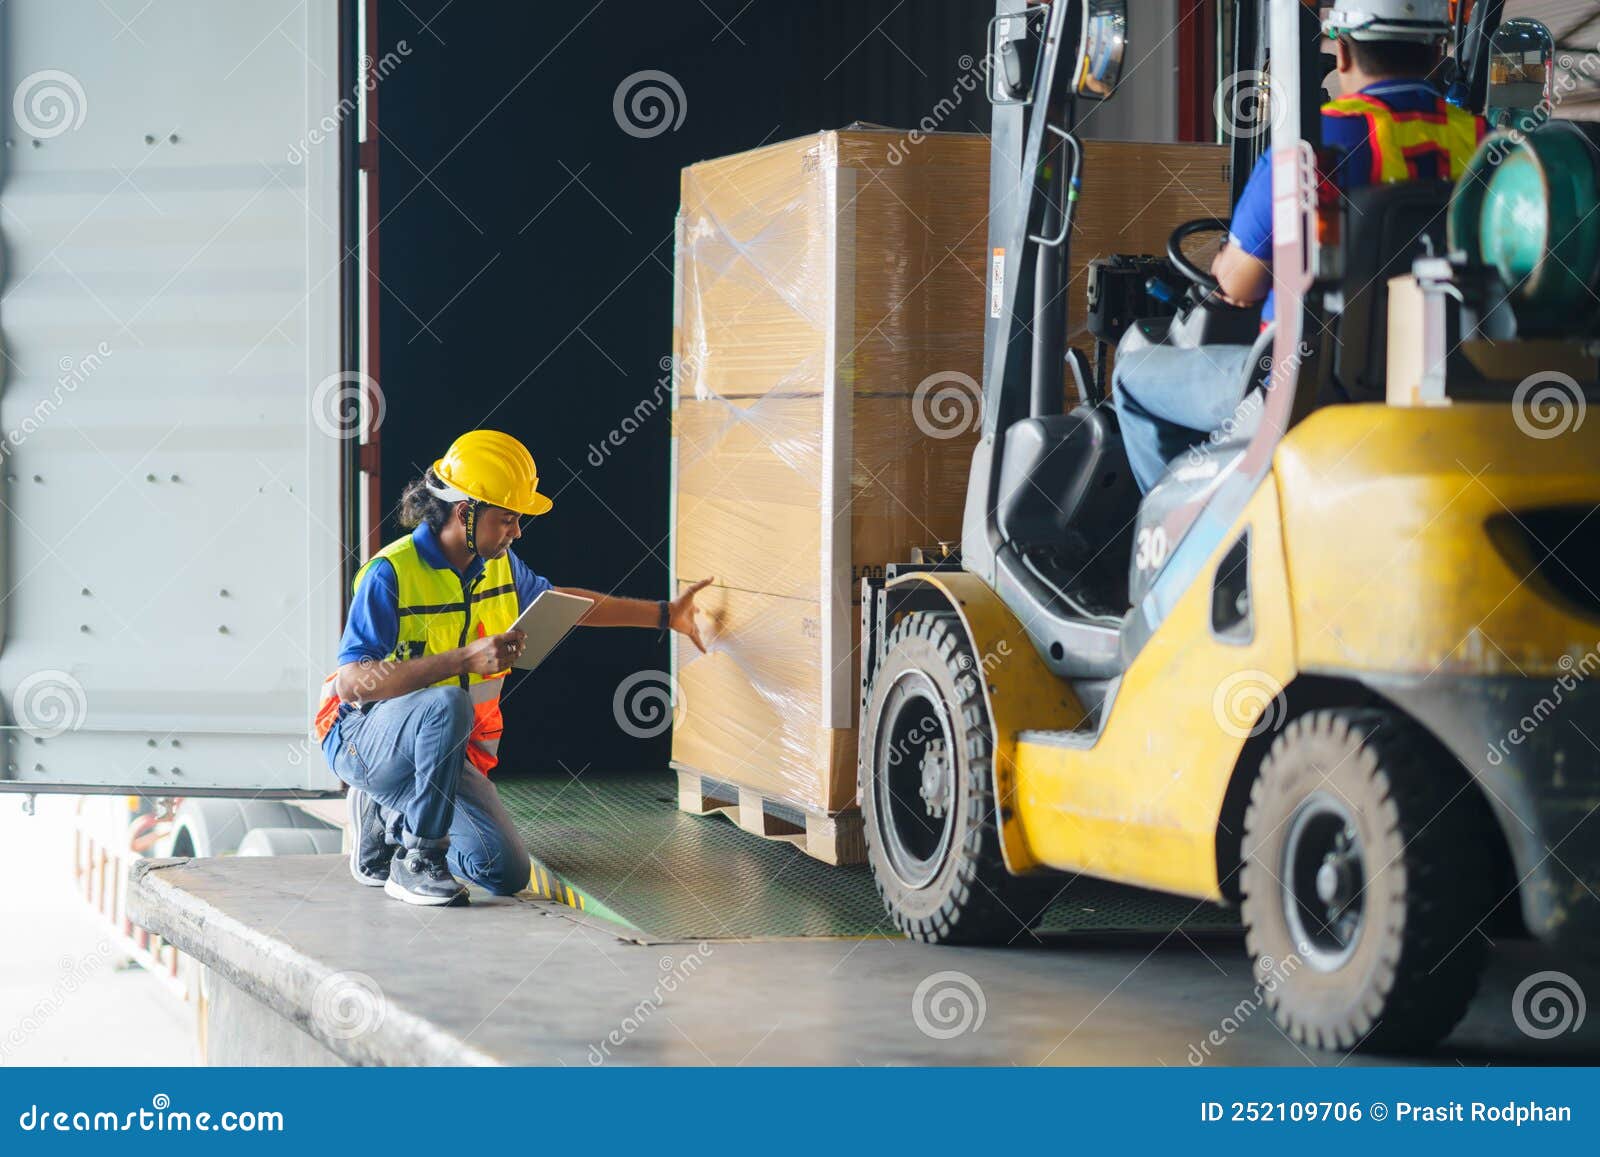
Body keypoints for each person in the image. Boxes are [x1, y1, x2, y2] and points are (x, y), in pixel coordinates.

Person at [312, 430, 710, 906]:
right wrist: (464, 659)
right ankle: (416, 861)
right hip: (359, 741)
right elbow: (355, 683)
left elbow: (566, 606)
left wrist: (666, 614)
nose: (516, 531)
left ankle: (393, 815)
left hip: (442, 753)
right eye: (507, 519)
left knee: (502, 872)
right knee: (446, 701)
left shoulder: (498, 566)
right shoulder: (390, 574)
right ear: (465, 513)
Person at [1112, 0, 1485, 492]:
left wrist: (1228, 259)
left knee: (1133, 374)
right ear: (1438, 51)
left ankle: (1178, 549)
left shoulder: (1314, 142)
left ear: (1344, 54)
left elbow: (1239, 286)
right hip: (1446, 380)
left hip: (1301, 384)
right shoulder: (1485, 143)